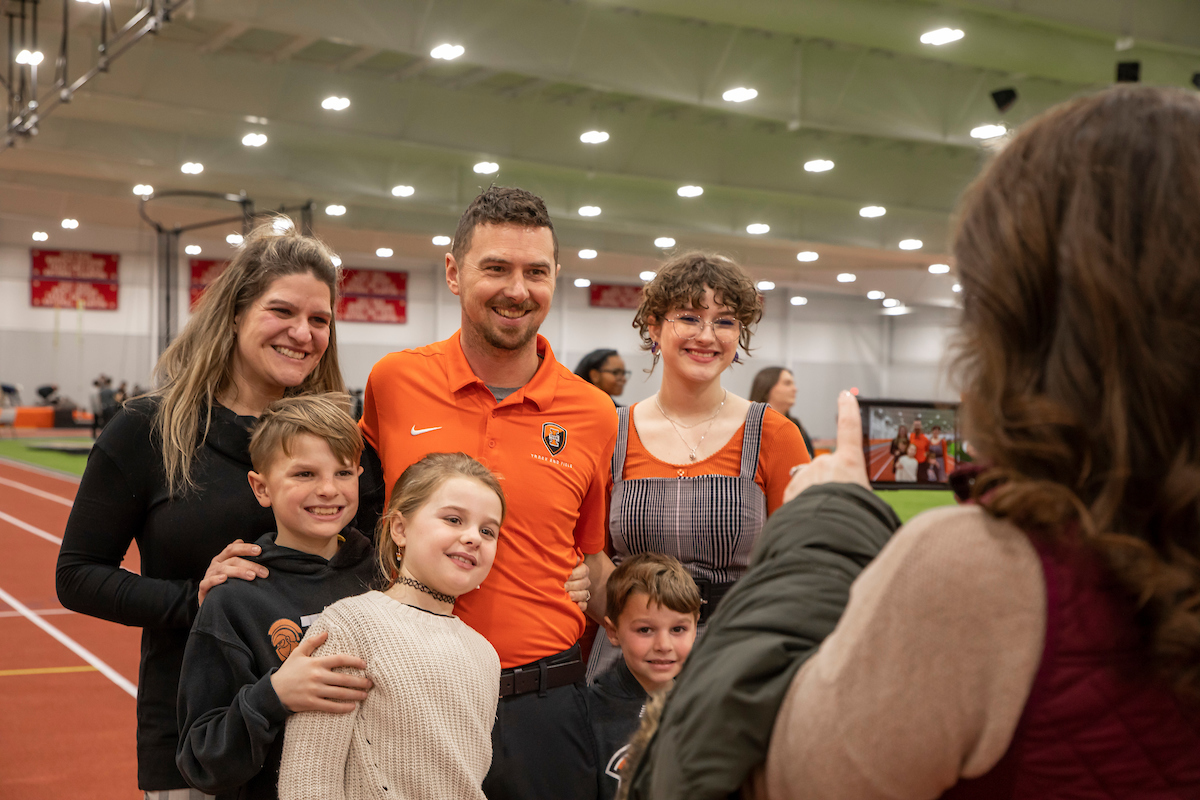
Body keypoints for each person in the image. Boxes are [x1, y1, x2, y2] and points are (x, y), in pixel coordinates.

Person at [641, 86, 1200, 799]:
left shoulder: (984, 569)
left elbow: (709, 774)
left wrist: (825, 522)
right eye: (689, 318)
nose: (706, 335)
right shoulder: (619, 426)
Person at [55, 218, 357, 797]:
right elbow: (77, 576)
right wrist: (191, 597)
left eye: (320, 319)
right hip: (198, 742)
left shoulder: (337, 440)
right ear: (237, 313)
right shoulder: (148, 429)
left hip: (325, 740)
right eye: (282, 312)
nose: (303, 333)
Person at [357, 185, 618, 800]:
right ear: (453, 272)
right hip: (410, 695)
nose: (517, 290)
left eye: (536, 272)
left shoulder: (594, 412)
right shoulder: (393, 381)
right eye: (495, 268)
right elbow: (348, 514)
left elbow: (589, 554)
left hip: (542, 705)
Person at [588, 252, 810, 680]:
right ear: (654, 326)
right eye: (689, 318)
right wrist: (635, 632)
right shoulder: (610, 432)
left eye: (725, 321)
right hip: (627, 664)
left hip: (736, 658)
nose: (707, 335)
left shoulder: (774, 436)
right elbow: (590, 555)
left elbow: (800, 566)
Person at [176, 394, 376, 800]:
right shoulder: (234, 600)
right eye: (304, 474)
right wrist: (274, 697)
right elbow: (201, 759)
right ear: (261, 487)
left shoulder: (386, 576)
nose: (327, 489)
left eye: (342, 473)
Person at [278, 452, 505, 800]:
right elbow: (308, 781)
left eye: (488, 530)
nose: (473, 537)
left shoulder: (485, 654)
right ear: (400, 528)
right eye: (454, 519)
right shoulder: (350, 624)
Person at [589, 552, 700, 800]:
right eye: (645, 630)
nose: (663, 645)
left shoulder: (708, 707)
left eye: (678, 629)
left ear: (695, 628)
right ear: (614, 631)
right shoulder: (589, 714)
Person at [748, 367, 814, 458]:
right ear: (766, 388)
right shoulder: (750, 426)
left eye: (793, 384)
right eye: (787, 383)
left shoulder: (796, 425)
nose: (795, 389)